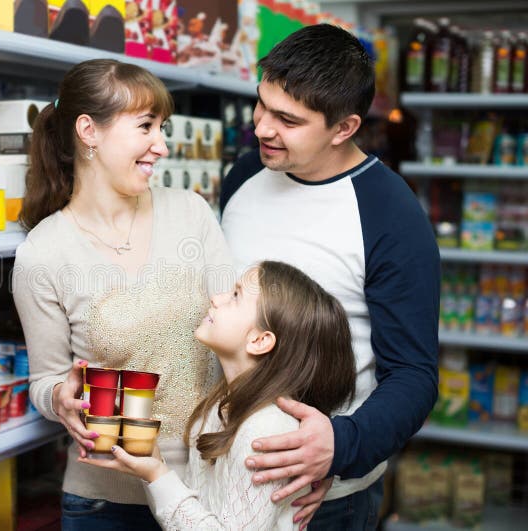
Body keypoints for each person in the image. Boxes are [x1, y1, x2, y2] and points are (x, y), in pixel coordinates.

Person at [220, 24, 440, 529]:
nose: (262, 128)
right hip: (224, 472)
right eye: (262, 104)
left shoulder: (391, 215)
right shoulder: (245, 175)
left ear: (344, 128)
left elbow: (415, 375)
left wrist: (340, 444)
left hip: (322, 499)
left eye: (288, 120)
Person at [12, 58, 234, 530]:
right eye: (146, 127)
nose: (163, 145)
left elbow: (240, 330)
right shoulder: (43, 253)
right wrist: (61, 398)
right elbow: (45, 380)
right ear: (89, 131)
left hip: (209, 488)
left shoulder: (191, 213)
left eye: (164, 127)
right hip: (106, 506)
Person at [81, 261, 357, 530]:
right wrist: (154, 467)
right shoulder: (218, 406)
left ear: (260, 340)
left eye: (235, 296)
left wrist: (158, 476)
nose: (216, 298)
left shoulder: (266, 430)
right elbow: (190, 515)